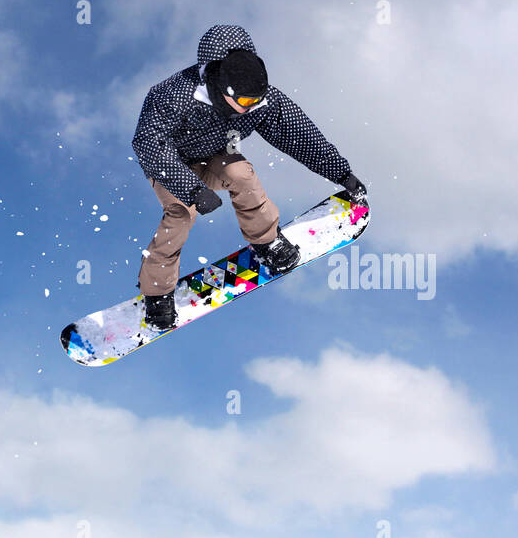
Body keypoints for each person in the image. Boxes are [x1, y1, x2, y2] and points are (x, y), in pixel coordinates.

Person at [132, 24, 366, 331]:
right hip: (170, 164)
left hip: (213, 157)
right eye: (244, 103)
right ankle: (157, 294)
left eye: (256, 100)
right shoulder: (173, 96)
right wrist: (192, 189)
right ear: (222, 87)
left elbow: (300, 137)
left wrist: (342, 173)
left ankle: (266, 242)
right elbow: (148, 143)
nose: (250, 109)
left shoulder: (261, 101)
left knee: (241, 173)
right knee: (181, 213)